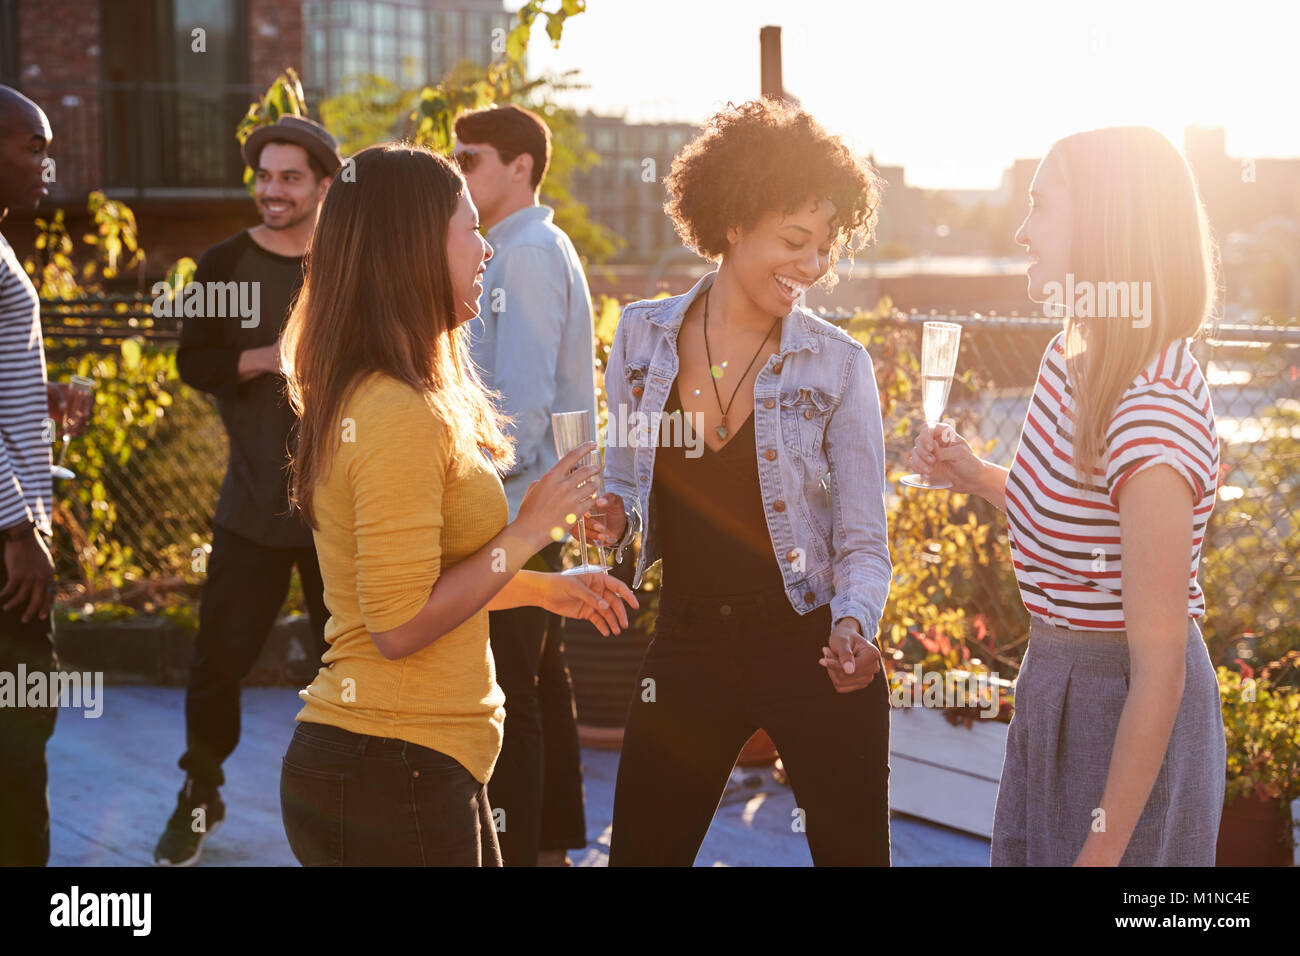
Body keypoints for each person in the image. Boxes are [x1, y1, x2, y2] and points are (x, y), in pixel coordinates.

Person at [276, 142, 637, 867]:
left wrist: (544, 588)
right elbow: (400, 625)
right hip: (388, 764)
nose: (486, 251)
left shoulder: (393, 396)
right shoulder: (393, 412)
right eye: (471, 230)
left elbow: (428, 580)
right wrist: (531, 527)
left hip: (418, 761)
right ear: (412, 249)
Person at [587, 99, 894, 866]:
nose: (813, 265)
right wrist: (609, 519)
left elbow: (862, 540)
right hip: (686, 645)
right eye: (794, 240)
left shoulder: (839, 365)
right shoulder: (640, 337)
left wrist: (855, 627)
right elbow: (625, 482)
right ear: (731, 223)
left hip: (811, 645)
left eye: (825, 246)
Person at [909, 126, 1225, 866]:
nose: (1022, 233)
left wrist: (1100, 853)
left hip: (1125, 713)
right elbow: (1079, 528)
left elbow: (1160, 669)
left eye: (1041, 208)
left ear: (1106, 228)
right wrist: (975, 474)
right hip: (1054, 681)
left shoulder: (1152, 413)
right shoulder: (1071, 352)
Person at [155, 116, 342, 866]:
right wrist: (267, 356)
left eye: (290, 177)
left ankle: (352, 804)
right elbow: (192, 361)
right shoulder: (223, 263)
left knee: (350, 662)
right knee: (217, 661)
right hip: (251, 506)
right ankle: (199, 795)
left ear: (323, 184)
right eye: (264, 176)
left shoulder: (344, 260)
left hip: (340, 509)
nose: (273, 190)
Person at [452, 103, 595, 867]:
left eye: (468, 159)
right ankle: (551, 850)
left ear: (519, 167)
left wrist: (458, 491)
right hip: (530, 510)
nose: (459, 173)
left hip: (513, 511)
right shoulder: (515, 246)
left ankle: (528, 851)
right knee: (539, 688)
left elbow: (521, 406)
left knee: (512, 697)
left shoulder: (527, 253)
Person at [0, 85, 92, 867]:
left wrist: (43, 389)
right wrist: (14, 527)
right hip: (4, 542)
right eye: (31, 145)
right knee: (17, 750)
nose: (46, 162)